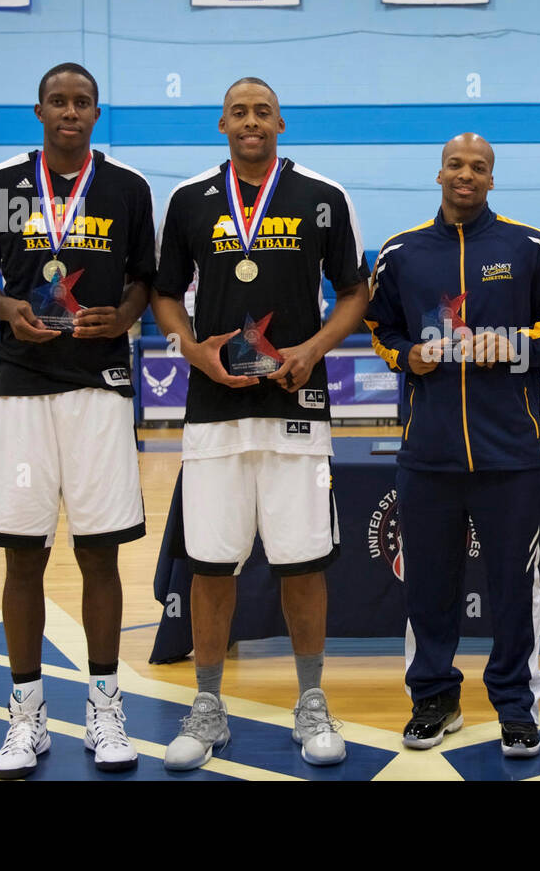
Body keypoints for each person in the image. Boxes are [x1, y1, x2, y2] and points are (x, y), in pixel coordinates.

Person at [152, 77, 369, 770]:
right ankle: (208, 707)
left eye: (263, 112)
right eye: (239, 112)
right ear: (222, 123)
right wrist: (191, 349)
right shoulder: (189, 200)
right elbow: (163, 293)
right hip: (214, 409)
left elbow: (355, 292)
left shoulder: (323, 197)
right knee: (211, 563)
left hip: (294, 407)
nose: (251, 122)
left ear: (281, 121)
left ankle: (311, 703)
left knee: (302, 562)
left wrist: (312, 349)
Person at [0, 62, 156, 779]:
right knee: (23, 552)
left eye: (82, 102)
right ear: (38, 110)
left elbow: (146, 280)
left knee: (100, 551)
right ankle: (27, 715)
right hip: (19, 386)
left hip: (99, 386)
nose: (70, 112)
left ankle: (105, 708)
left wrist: (125, 317)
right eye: (58, 101)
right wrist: (10, 309)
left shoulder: (128, 188)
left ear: (97, 112)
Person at [365, 132, 540, 759]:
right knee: (427, 584)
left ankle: (516, 704)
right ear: (439, 174)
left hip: (509, 454)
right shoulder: (401, 252)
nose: (466, 175)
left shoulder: (525, 244)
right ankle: (433, 698)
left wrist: (512, 345)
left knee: (514, 585)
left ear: (491, 179)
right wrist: (409, 358)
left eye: (478, 167)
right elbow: (379, 325)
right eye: (456, 164)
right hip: (426, 457)